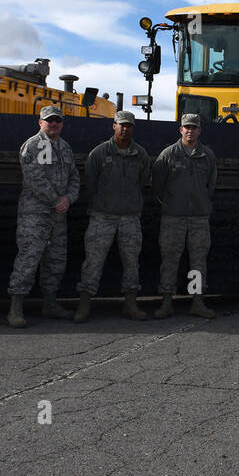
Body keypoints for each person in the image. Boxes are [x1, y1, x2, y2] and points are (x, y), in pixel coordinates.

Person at [74, 110, 153, 323]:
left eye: (129, 125)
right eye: (121, 125)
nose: (125, 129)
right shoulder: (99, 153)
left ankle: (130, 303)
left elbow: (142, 181)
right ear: (114, 126)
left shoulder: (140, 154)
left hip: (130, 218)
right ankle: (84, 304)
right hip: (102, 216)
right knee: (93, 261)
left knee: (131, 262)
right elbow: (91, 183)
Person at [7, 105, 81, 327]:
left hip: (58, 216)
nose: (54, 124)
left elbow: (74, 177)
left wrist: (69, 198)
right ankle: (15, 308)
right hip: (35, 215)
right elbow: (34, 178)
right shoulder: (33, 145)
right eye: (50, 120)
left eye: (58, 120)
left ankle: (50, 303)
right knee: (28, 260)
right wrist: (56, 200)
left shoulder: (65, 148)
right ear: (40, 123)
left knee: (55, 261)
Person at [152, 114, 218, 319]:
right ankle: (166, 302)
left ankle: (197, 301)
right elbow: (158, 185)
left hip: (199, 218)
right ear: (180, 130)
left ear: (200, 130)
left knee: (198, 262)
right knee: (170, 260)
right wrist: (172, 204)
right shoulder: (168, 155)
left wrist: (200, 204)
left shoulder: (207, 156)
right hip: (173, 218)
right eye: (186, 127)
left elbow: (211, 185)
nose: (190, 131)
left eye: (194, 127)